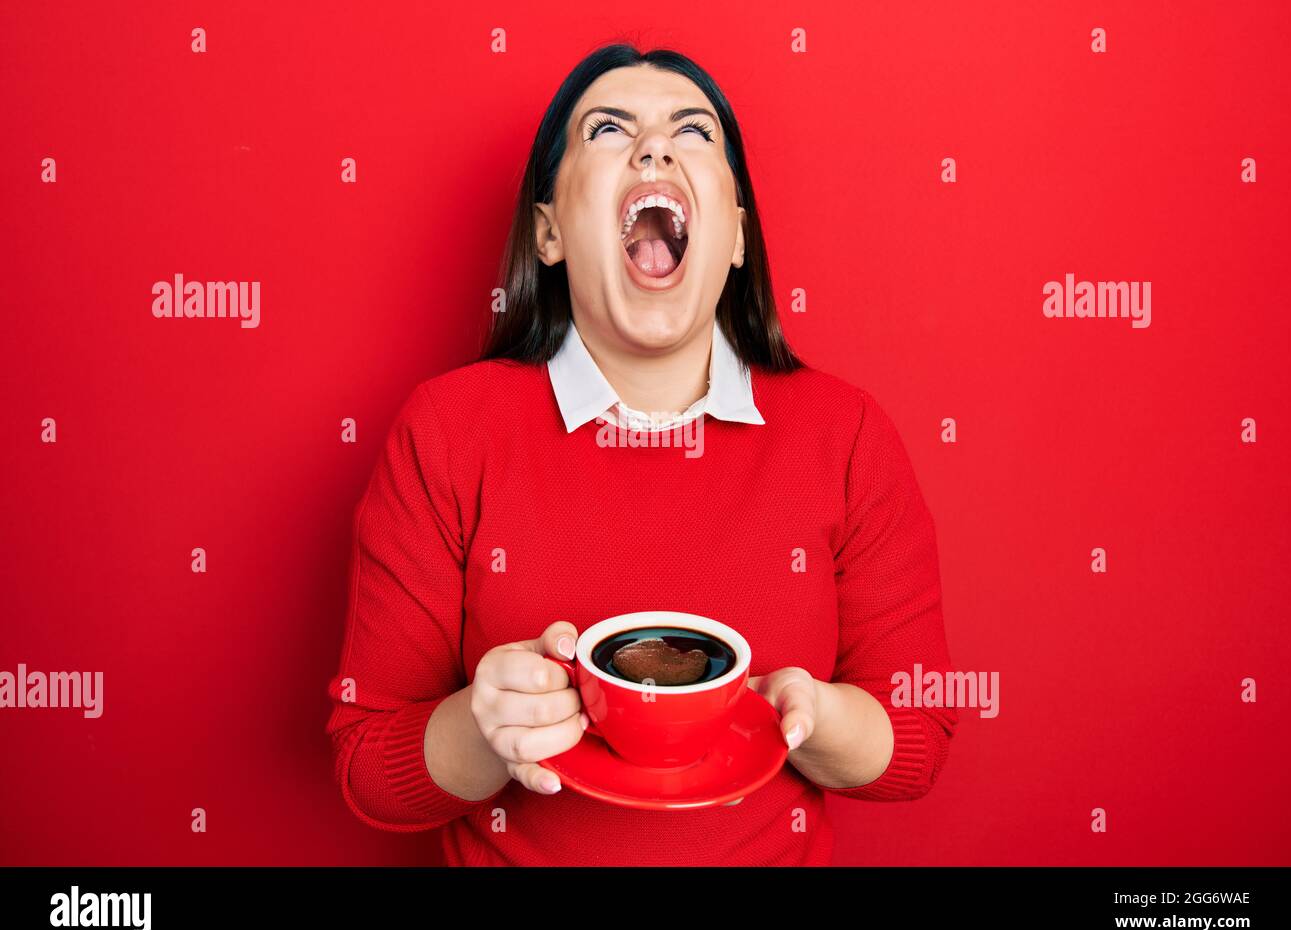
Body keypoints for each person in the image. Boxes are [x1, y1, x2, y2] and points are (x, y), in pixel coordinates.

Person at [325, 42, 957, 866]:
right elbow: (366, 765)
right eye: (609, 129)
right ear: (549, 231)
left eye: (692, 131)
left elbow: (919, 739)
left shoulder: (848, 435)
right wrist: (484, 729)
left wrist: (811, 718)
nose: (653, 147)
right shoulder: (446, 430)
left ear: (734, 234)